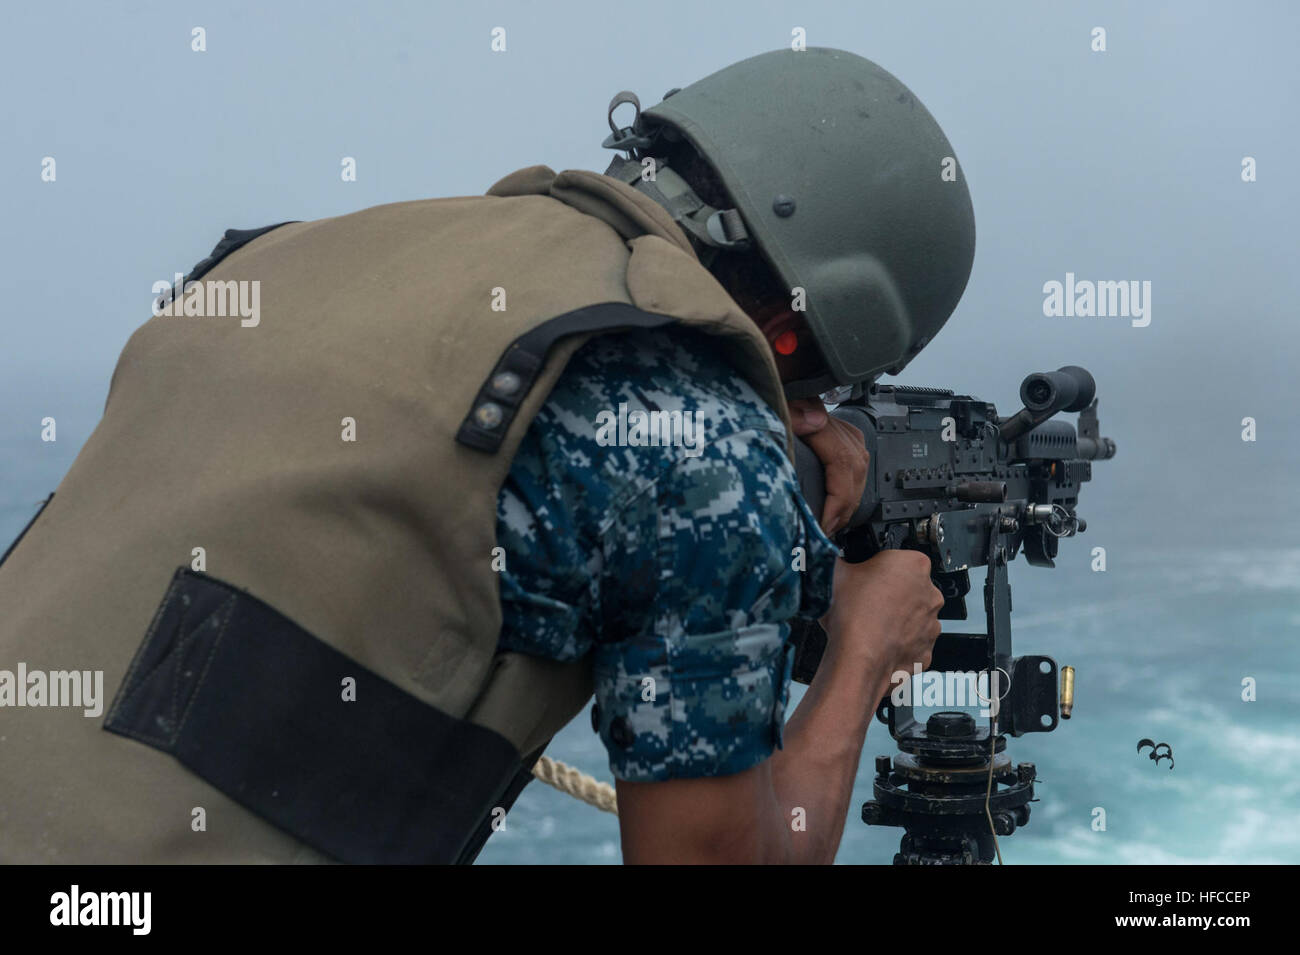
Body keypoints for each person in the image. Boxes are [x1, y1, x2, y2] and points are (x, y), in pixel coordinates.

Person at [0, 48, 973, 864]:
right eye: (810, 383)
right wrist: (863, 646)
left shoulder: (282, 261)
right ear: (809, 324)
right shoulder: (699, 443)